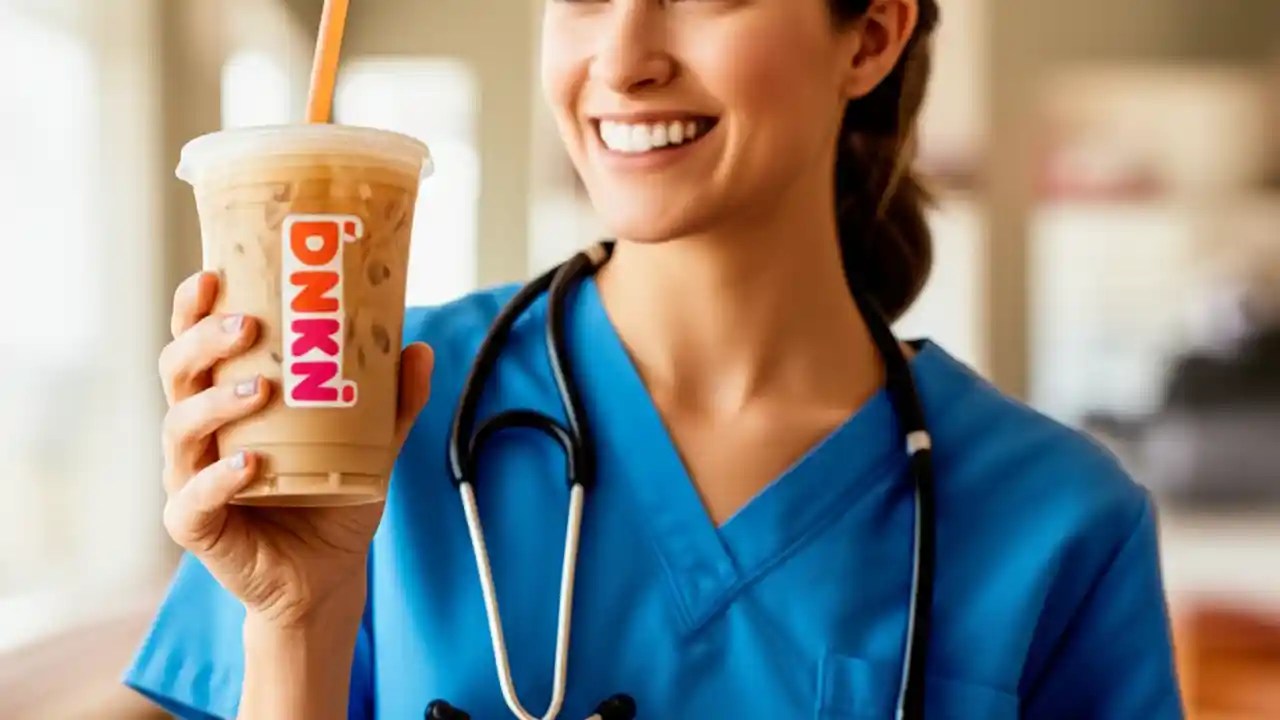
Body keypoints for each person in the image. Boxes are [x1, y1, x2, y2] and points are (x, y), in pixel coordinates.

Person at [125, 0, 1185, 718]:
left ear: (868, 37)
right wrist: (294, 620)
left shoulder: (1056, 520)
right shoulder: (366, 410)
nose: (624, 60)